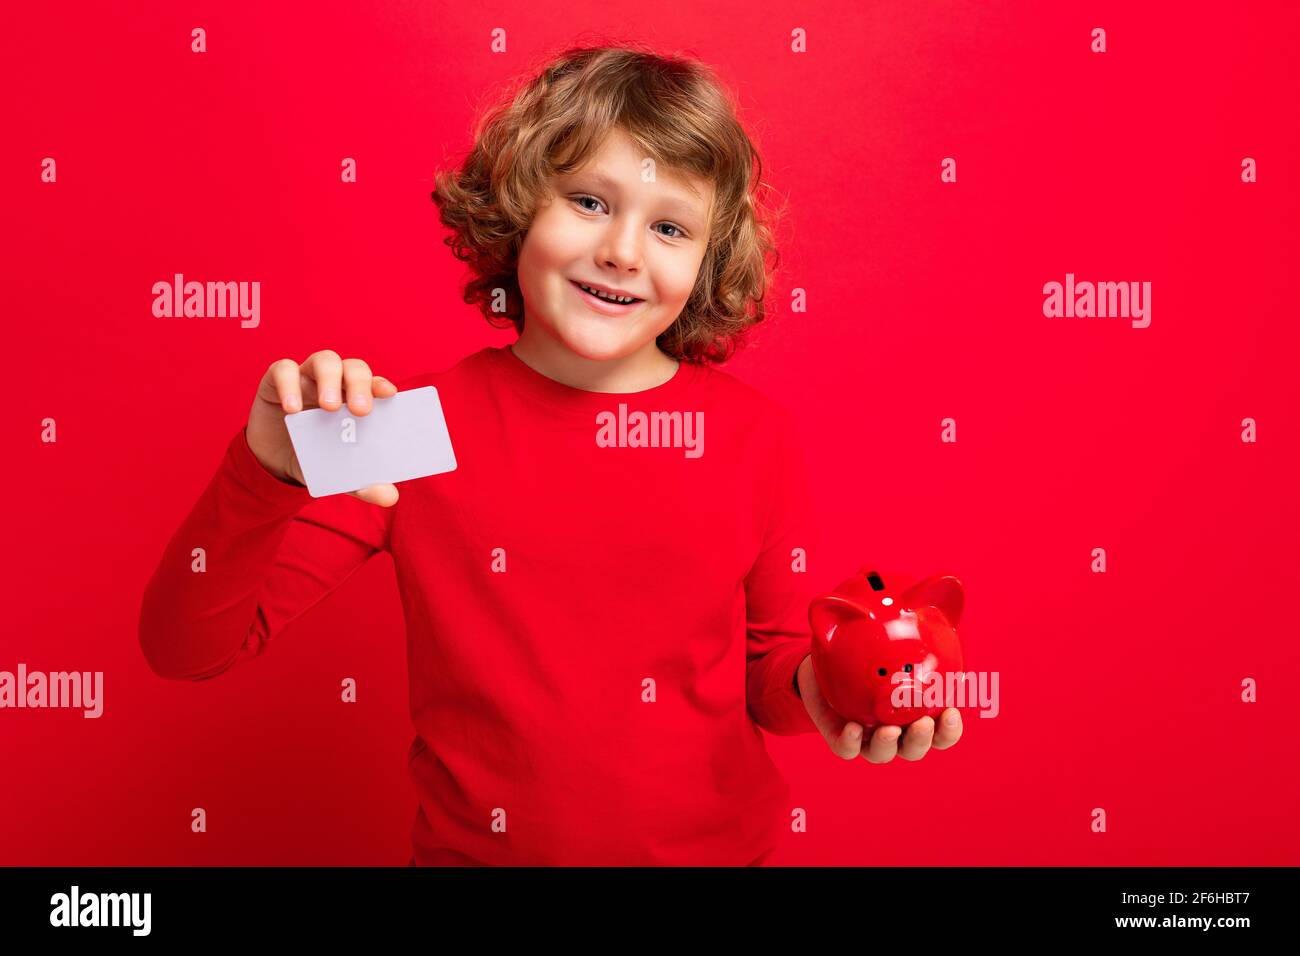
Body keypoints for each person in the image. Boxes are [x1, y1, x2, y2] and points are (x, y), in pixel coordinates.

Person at [138, 44, 961, 867]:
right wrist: (268, 470)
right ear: (520, 203)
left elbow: (767, 670)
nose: (624, 253)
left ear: (708, 262)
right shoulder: (411, 429)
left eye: (669, 226)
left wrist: (824, 688)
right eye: (590, 202)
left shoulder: (755, 438)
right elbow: (187, 649)